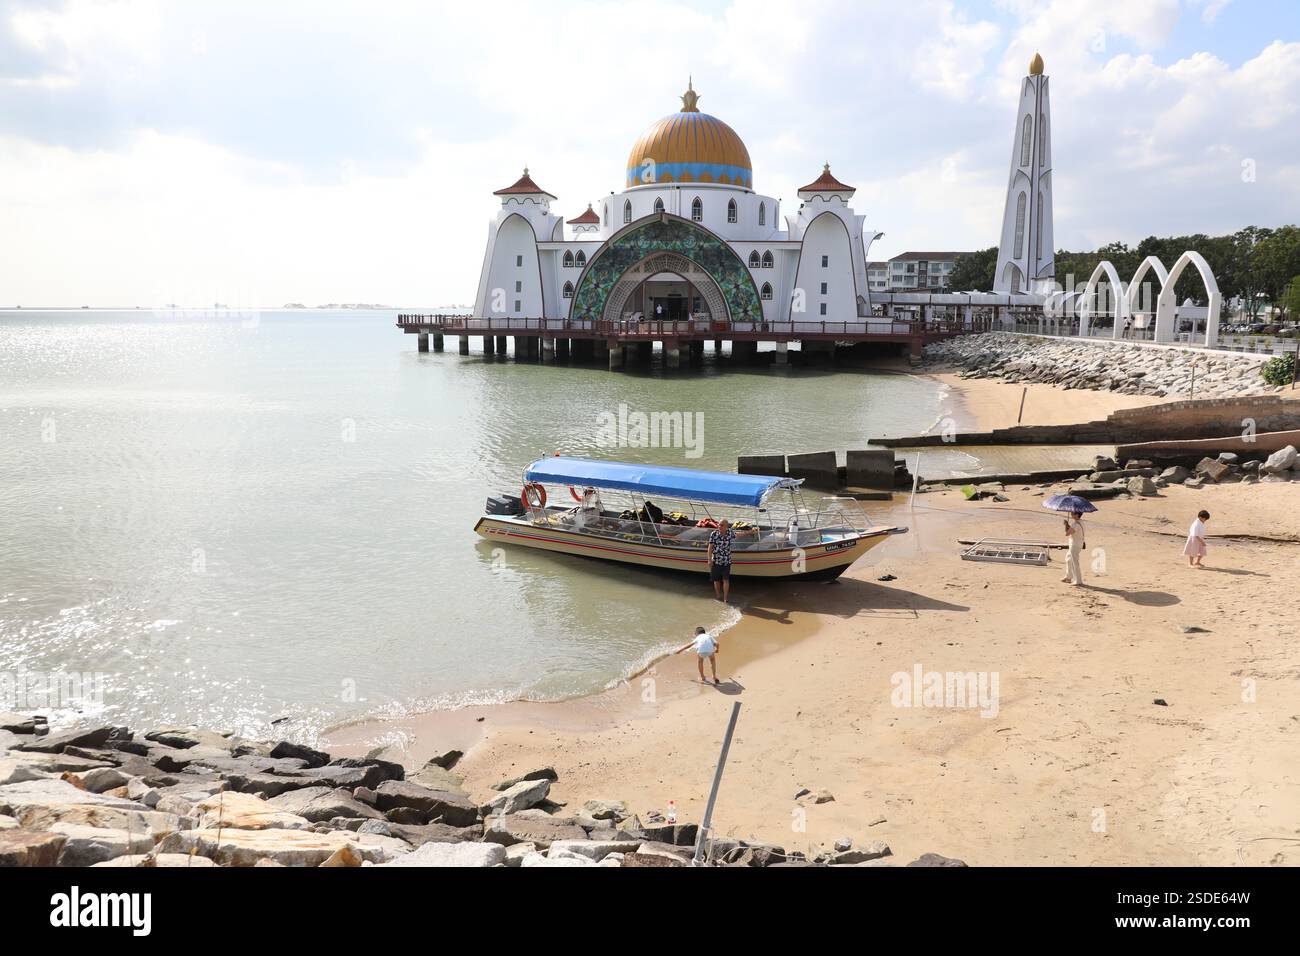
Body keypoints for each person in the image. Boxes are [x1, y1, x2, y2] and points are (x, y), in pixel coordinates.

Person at [1062, 509, 1086, 586]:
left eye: (1073, 513)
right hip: (1077, 543)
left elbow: (1067, 533)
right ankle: (1068, 577)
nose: (1071, 514)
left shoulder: (1076, 524)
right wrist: (1068, 525)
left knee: (1074, 562)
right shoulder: (1080, 522)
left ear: (1076, 515)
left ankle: (1078, 580)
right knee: (1068, 559)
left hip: (1075, 544)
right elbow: (1072, 531)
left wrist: (1066, 525)